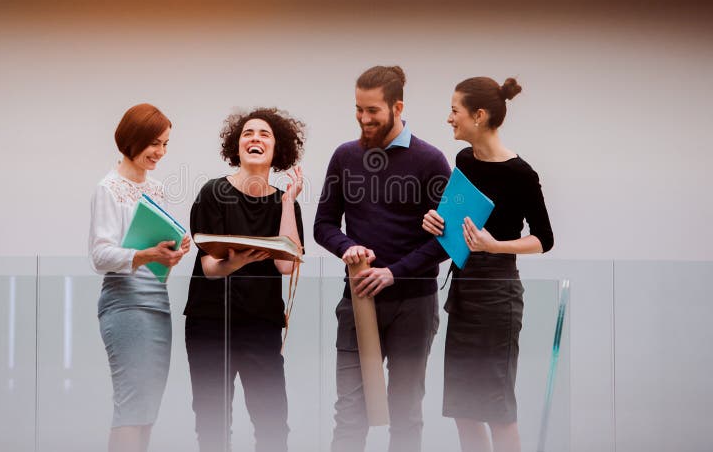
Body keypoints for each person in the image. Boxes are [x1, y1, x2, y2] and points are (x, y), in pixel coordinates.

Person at [314, 65, 452, 452]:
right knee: (349, 415)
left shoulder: (431, 160)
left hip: (414, 305)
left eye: (372, 110)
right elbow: (323, 225)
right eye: (358, 109)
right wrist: (346, 247)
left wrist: (393, 273)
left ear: (397, 107)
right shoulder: (344, 156)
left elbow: (447, 241)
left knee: (406, 414)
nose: (364, 118)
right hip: (357, 300)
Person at [422, 76, 554, 452]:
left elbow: (544, 239)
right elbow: (457, 219)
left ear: (478, 115)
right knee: (463, 410)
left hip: (498, 296)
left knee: (497, 410)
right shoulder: (464, 160)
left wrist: (495, 246)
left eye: (454, 110)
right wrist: (435, 221)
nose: (449, 118)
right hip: (464, 291)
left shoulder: (521, 173)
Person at [183, 107, 305, 452]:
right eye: (247, 134)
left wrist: (288, 202)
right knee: (212, 424)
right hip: (211, 324)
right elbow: (210, 268)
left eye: (264, 134)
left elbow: (286, 266)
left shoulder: (285, 203)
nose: (255, 138)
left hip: (261, 326)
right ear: (236, 148)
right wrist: (235, 262)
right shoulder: (213, 192)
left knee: (272, 425)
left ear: (277, 149)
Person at [89, 103, 192, 452]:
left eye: (165, 144)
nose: (160, 152)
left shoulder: (157, 189)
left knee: (146, 411)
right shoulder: (108, 188)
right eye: (154, 143)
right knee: (131, 408)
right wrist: (149, 254)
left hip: (156, 302)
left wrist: (172, 253)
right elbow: (100, 256)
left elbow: (155, 259)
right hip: (125, 303)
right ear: (132, 140)